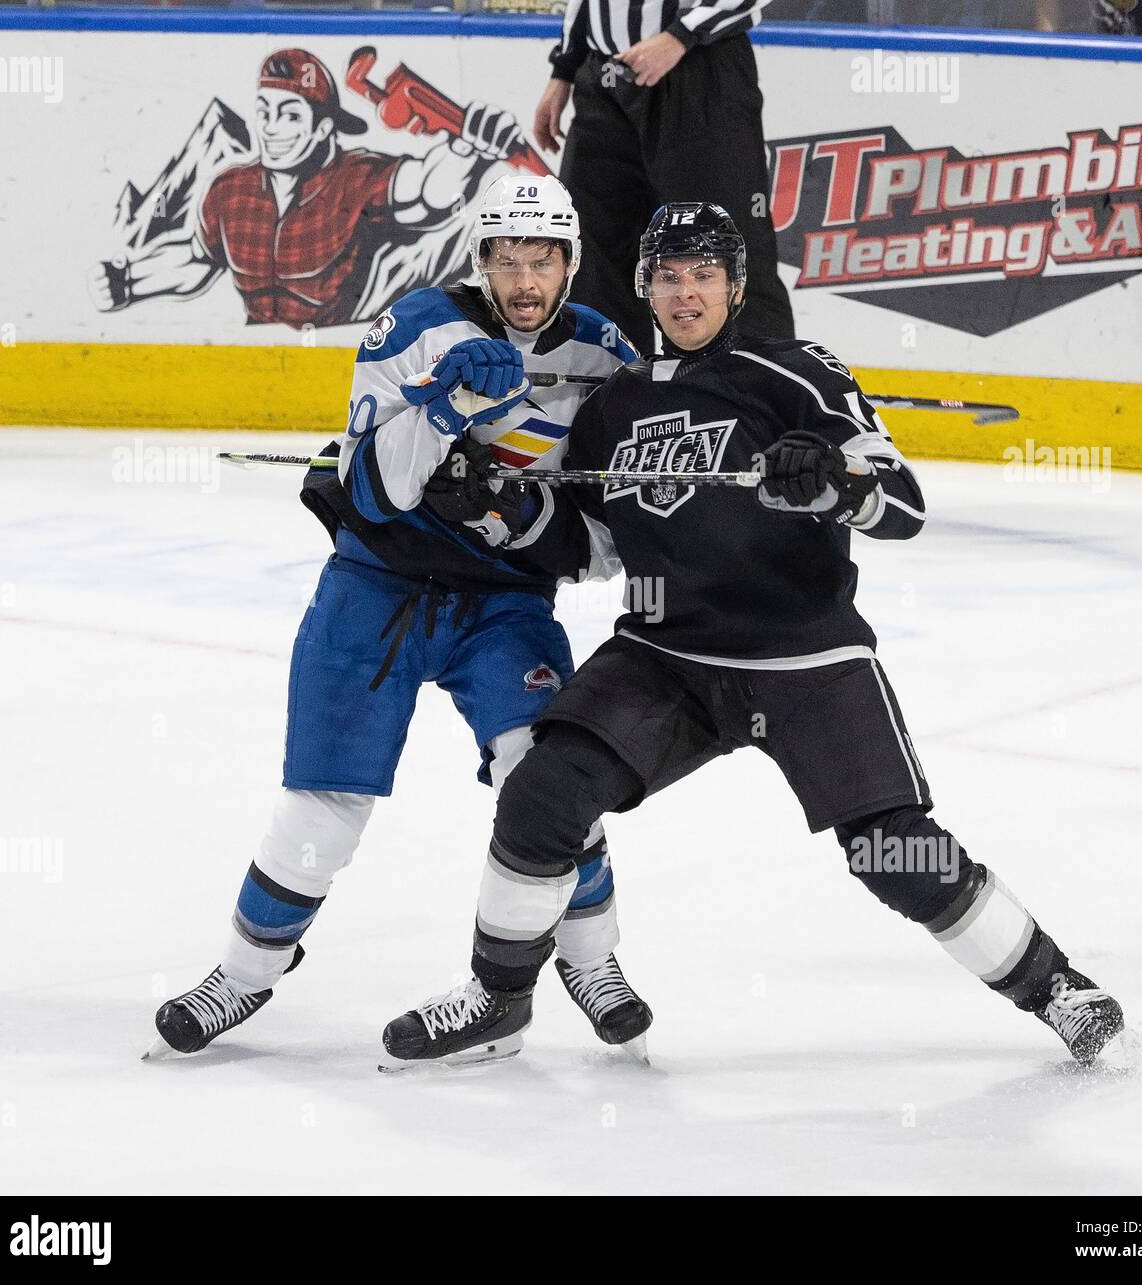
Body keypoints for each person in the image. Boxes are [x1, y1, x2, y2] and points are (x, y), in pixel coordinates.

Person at [381, 202, 1126, 1070]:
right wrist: (503, 509)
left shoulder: (798, 374)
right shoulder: (614, 406)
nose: (684, 293)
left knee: (894, 852)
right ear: (642, 286)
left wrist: (834, 482)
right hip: (668, 652)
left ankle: (1059, 986)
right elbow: (593, 549)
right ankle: (499, 997)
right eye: (667, 275)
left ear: (735, 287)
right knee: (543, 792)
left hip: (803, 655)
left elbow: (905, 504)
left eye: (702, 275)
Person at [147, 176, 653, 1060]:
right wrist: (445, 409)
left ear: (570, 263)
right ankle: (244, 971)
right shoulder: (413, 328)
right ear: (480, 260)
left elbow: (607, 546)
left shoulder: (607, 357)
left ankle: (593, 962)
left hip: (504, 603)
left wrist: (507, 515)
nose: (525, 280)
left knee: (548, 779)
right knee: (323, 807)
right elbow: (374, 494)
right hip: (376, 588)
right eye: (507, 260)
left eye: (543, 261)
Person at [91, 48, 523, 328]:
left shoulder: (353, 177)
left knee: (445, 241)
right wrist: (130, 281)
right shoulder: (229, 190)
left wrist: (467, 148)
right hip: (262, 345)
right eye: (264, 112)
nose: (271, 128)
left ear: (322, 128)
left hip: (359, 334)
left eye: (290, 115)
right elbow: (198, 259)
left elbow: (423, 187)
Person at [535, 0, 794, 355]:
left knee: (724, 248)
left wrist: (680, 36)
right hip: (603, 79)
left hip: (699, 68)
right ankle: (617, 396)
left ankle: (761, 398)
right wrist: (565, 66)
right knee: (594, 257)